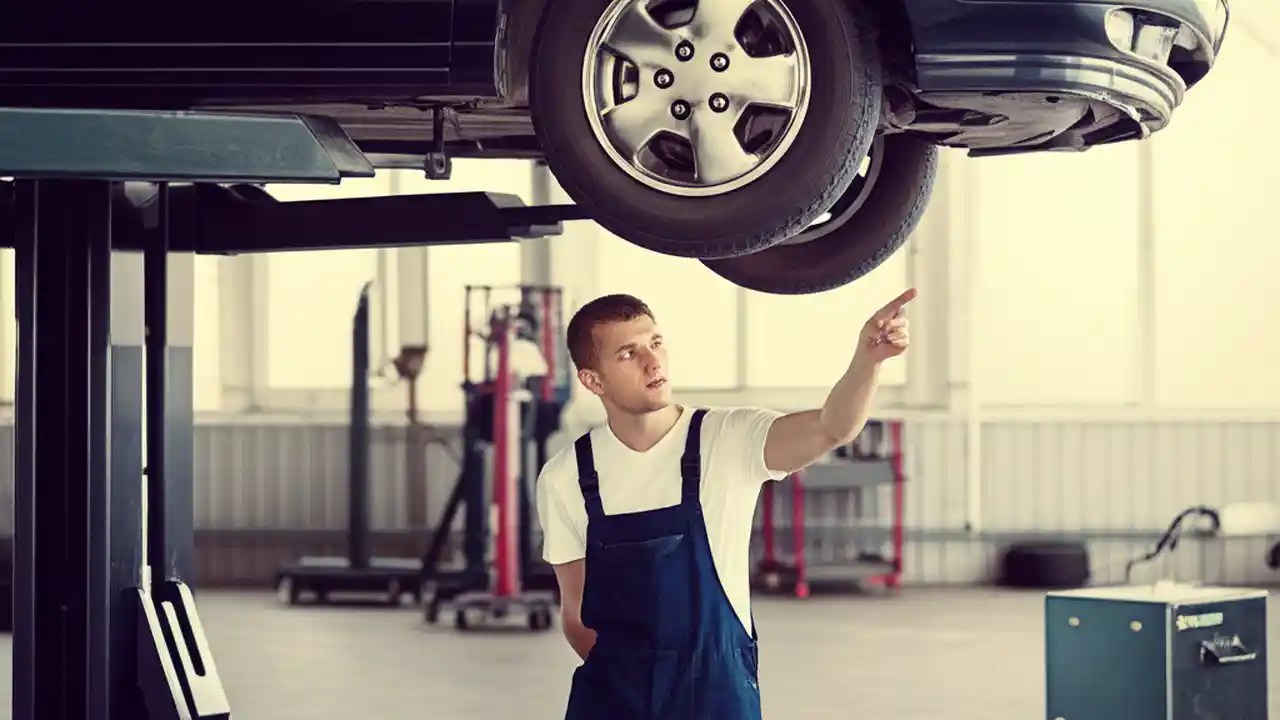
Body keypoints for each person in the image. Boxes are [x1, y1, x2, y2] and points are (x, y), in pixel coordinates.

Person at [534, 288, 915, 719]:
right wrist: (636, 681)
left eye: (656, 343)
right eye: (628, 353)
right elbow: (576, 613)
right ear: (592, 380)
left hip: (715, 693)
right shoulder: (566, 477)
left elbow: (832, 427)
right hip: (614, 697)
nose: (652, 361)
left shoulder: (728, 439)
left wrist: (868, 361)